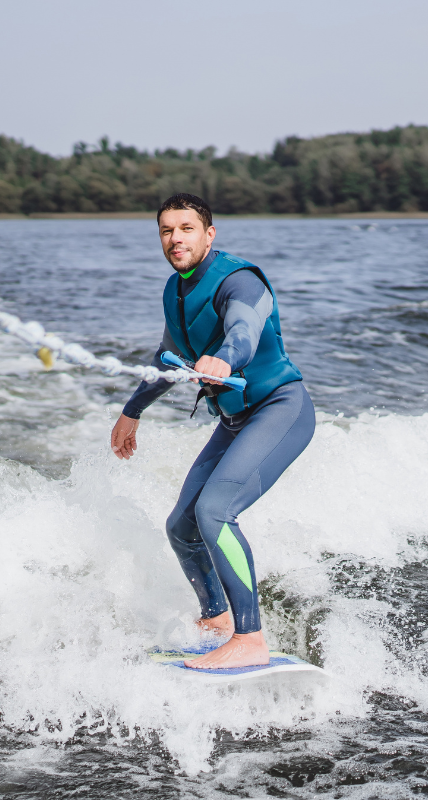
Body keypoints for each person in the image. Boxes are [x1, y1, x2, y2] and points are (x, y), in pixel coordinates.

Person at [109, 193, 315, 670]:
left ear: (209, 234)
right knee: (181, 527)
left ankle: (250, 638)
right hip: (235, 420)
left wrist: (225, 356)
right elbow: (166, 358)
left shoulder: (240, 280)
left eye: (186, 228)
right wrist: (132, 411)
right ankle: (217, 621)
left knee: (215, 511)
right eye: (166, 230)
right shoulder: (175, 290)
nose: (175, 239)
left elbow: (244, 326)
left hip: (279, 410)